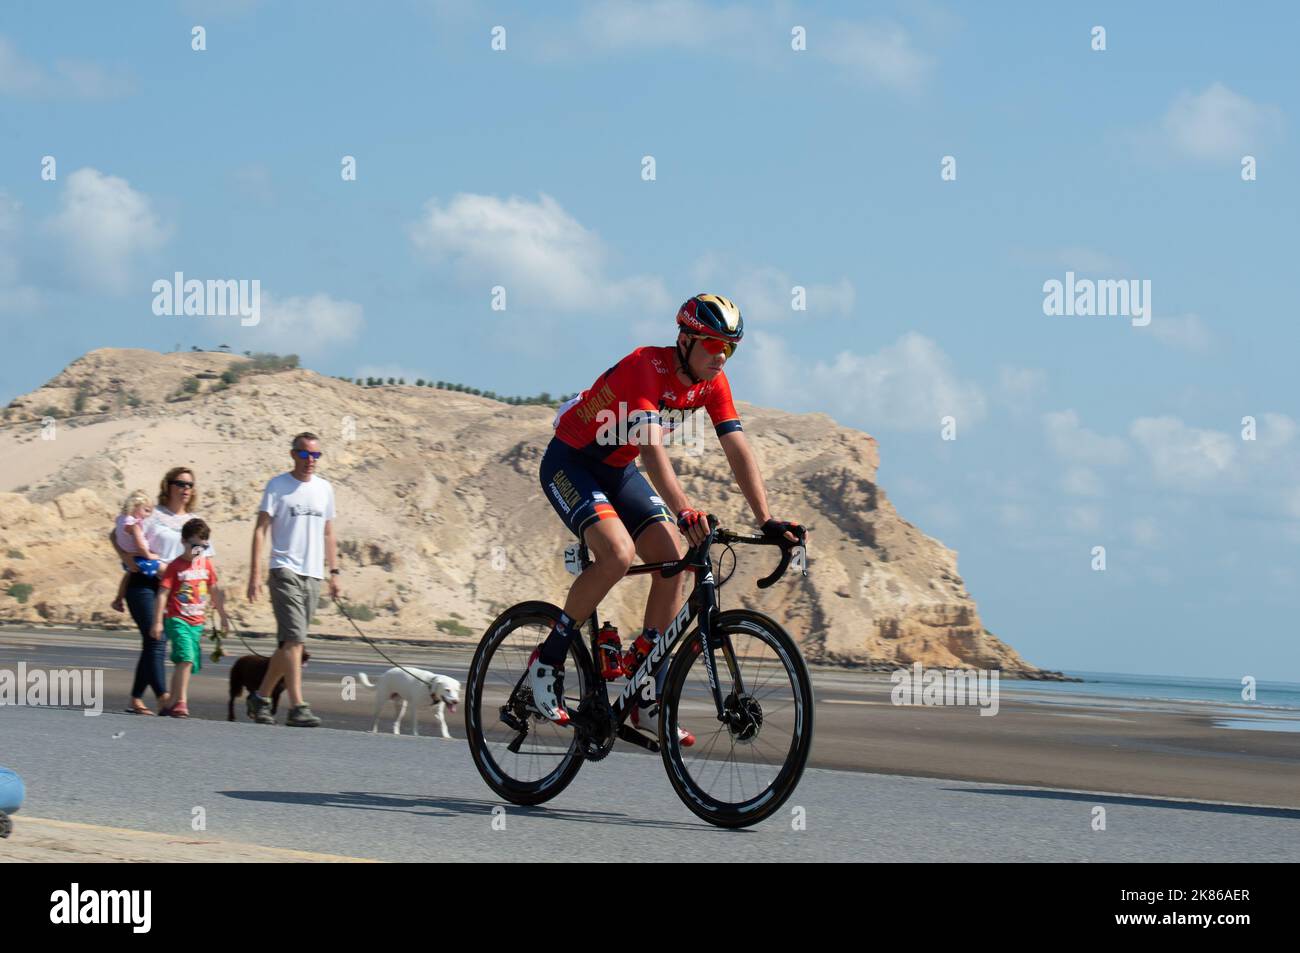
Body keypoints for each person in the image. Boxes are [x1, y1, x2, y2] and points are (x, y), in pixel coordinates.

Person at [534, 293, 804, 740]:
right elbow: (651, 448)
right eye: (714, 346)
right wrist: (684, 510)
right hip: (571, 462)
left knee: (672, 559)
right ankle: (547, 660)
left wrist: (767, 519)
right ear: (685, 340)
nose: (721, 358)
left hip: (617, 470)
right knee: (617, 554)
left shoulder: (713, 383)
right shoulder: (646, 366)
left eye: (730, 349)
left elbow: (736, 447)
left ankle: (646, 695)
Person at [245, 432, 340, 727]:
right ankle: (297, 705)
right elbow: (261, 530)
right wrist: (255, 574)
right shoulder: (278, 486)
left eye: (315, 455)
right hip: (284, 569)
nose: (310, 460)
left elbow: (328, 532)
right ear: (293, 454)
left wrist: (334, 572)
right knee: (296, 639)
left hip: (313, 574)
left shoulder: (324, 489)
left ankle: (260, 697)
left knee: (289, 643)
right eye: (304, 454)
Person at [112, 467, 209, 715]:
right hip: (144, 584)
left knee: (152, 643)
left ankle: (136, 698)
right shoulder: (152, 514)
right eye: (180, 483)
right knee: (156, 639)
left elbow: (203, 559)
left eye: (189, 485)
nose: (185, 489)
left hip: (177, 591)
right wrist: (126, 556)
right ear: (168, 486)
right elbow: (116, 532)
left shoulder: (194, 522)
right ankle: (164, 697)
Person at [151, 518, 230, 718]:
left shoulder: (206, 565)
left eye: (203, 547)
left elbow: (214, 591)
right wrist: (158, 621)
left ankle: (169, 702)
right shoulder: (175, 566)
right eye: (195, 546)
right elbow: (162, 593)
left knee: (186, 663)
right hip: (177, 620)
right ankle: (181, 703)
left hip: (197, 622)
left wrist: (223, 616)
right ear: (184, 542)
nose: (198, 551)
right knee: (186, 658)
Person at [109, 490, 160, 614]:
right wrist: (150, 555)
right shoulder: (134, 524)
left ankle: (118, 599)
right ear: (136, 507)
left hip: (130, 557)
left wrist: (125, 553)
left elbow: (114, 535)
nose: (147, 515)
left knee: (129, 575)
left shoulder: (121, 519)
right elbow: (140, 546)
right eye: (146, 510)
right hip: (140, 558)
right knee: (165, 569)